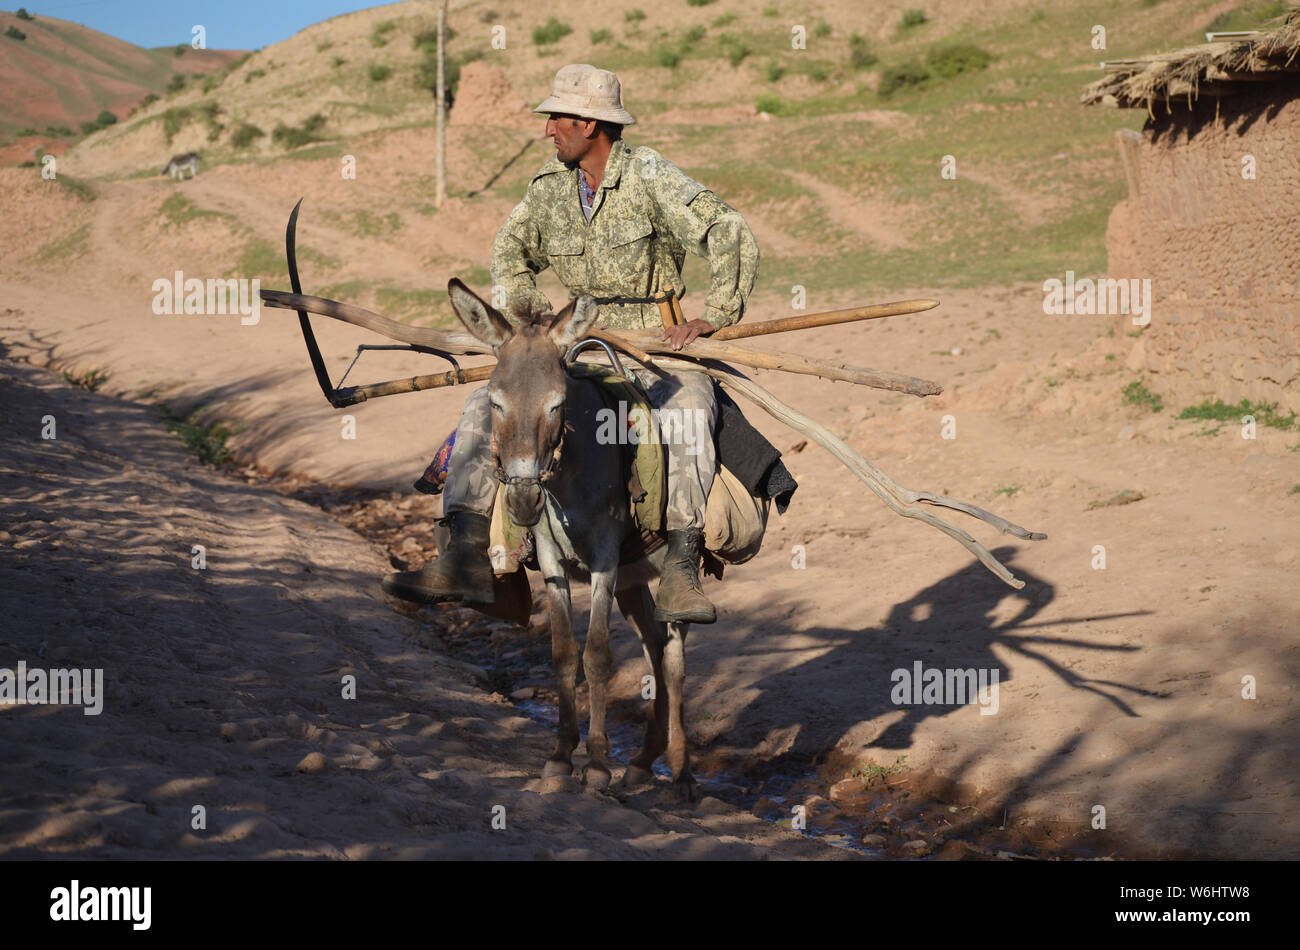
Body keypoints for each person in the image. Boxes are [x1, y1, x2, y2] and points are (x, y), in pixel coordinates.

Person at [383, 63, 759, 624]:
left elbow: (728, 230)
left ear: (589, 124)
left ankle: (680, 568)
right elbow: (509, 251)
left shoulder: (650, 176)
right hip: (574, 345)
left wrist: (714, 317)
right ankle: (465, 555)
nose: (548, 128)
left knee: (688, 409)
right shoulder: (548, 189)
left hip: (655, 346)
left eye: (557, 117)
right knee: (482, 406)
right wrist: (526, 313)